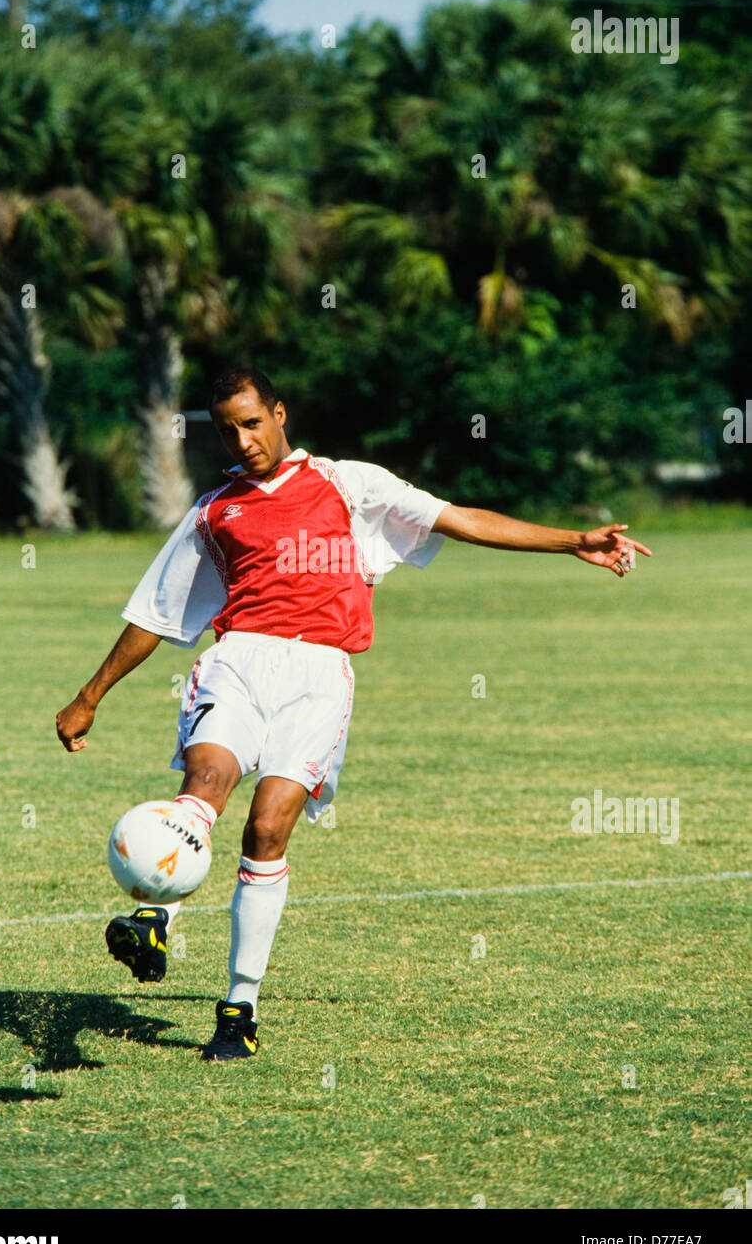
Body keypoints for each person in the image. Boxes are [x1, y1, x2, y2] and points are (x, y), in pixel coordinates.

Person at [55, 369, 650, 1061]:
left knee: (267, 828)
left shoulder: (350, 484)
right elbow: (155, 613)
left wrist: (573, 539)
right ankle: (154, 916)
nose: (242, 439)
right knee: (206, 781)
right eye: (227, 429)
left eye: (252, 422)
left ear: (279, 413)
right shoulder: (214, 511)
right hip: (237, 661)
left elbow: (458, 519)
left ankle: (237, 1006)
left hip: (319, 676)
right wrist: (90, 694)